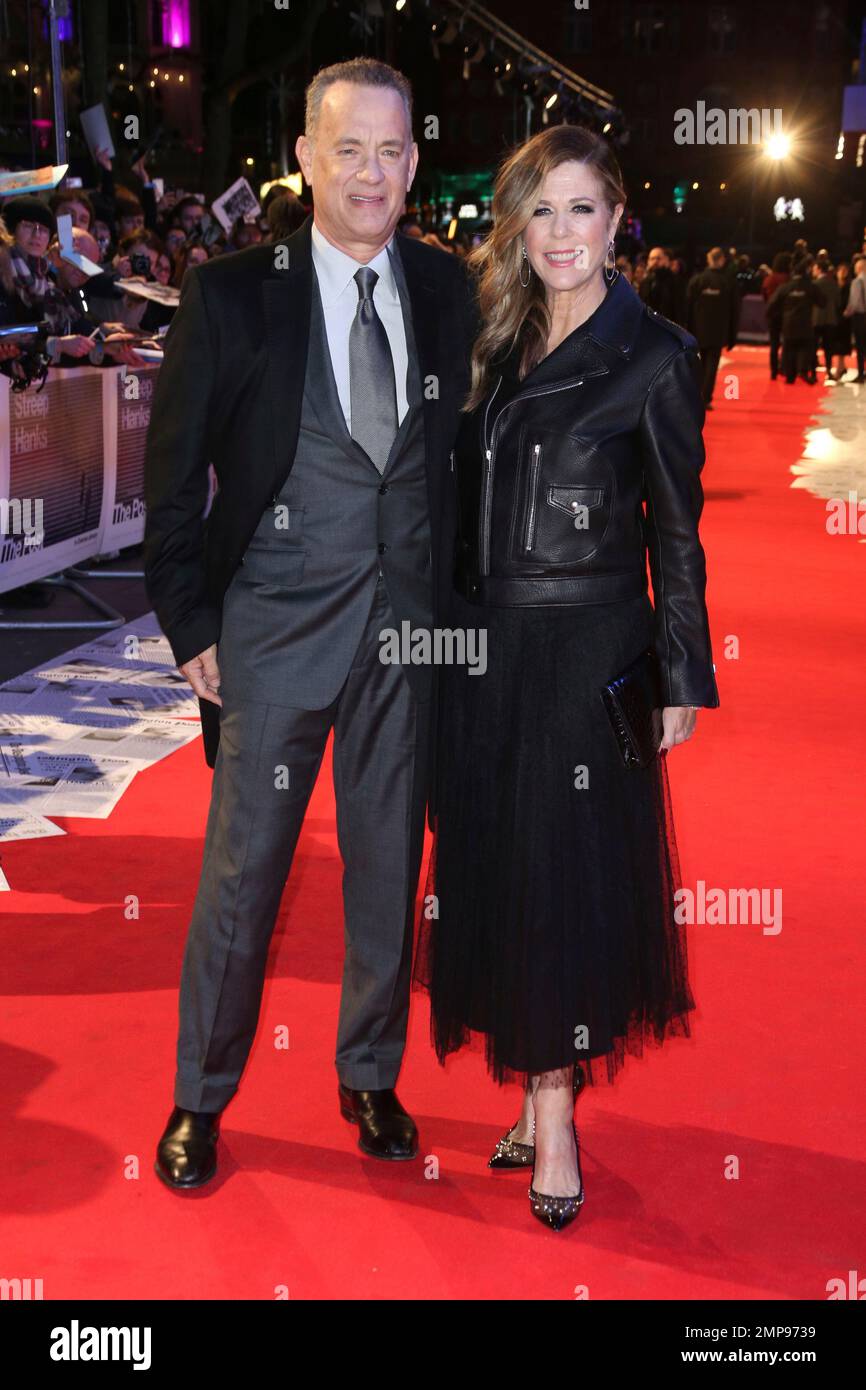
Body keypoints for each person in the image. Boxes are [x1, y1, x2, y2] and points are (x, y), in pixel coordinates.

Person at [143, 57, 476, 1190]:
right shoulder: (235, 292)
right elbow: (172, 476)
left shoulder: (447, 292)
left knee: (387, 865)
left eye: (390, 150)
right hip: (271, 636)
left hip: (406, 638)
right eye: (347, 148)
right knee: (243, 877)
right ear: (303, 157)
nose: (369, 172)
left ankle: (369, 1072)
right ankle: (200, 1093)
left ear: (414, 162)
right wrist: (189, 621)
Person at [414, 124, 719, 1232]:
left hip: (588, 648)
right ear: (516, 223)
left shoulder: (655, 355)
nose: (558, 234)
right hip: (482, 647)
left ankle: (553, 1111)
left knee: (567, 875)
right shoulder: (489, 339)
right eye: (538, 210)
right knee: (497, 862)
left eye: (579, 209)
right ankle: (538, 1064)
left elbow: (676, 533)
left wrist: (682, 668)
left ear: (615, 218)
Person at [687, 246, 740, 407]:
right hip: (718, 331)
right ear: (721, 260)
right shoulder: (726, 282)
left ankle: (694, 396)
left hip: (698, 329)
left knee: (699, 364)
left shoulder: (697, 280)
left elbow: (688, 306)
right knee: (711, 365)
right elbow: (734, 310)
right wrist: (732, 336)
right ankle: (705, 397)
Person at [766, 253, 821, 384]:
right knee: (804, 346)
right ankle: (802, 370)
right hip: (805, 323)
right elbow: (822, 302)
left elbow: (771, 303)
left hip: (786, 321)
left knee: (787, 347)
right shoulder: (809, 286)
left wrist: (774, 315)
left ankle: (786, 375)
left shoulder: (781, 285)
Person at [639, 244, 687, 327]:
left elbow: (680, 311)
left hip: (668, 329)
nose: (655, 261)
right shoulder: (645, 282)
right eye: (652, 259)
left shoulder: (676, 282)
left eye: (658, 258)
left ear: (667, 260)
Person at [762, 252, 791, 379]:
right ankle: (784, 367)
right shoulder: (789, 279)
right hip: (787, 315)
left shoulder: (769, 279)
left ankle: (773, 371)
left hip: (773, 315)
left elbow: (764, 294)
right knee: (787, 343)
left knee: (774, 344)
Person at [811, 256, 839, 382]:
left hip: (816, 319)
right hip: (830, 319)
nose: (813, 270)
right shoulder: (833, 283)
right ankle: (829, 370)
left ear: (819, 269)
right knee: (829, 348)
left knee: (813, 347)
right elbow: (838, 302)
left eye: (814, 268)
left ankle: (813, 373)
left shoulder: (815, 284)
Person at [842, 255, 866, 383]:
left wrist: (846, 313)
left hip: (860, 317)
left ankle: (861, 374)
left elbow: (854, 302)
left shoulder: (857, 281)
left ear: (860, 268)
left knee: (860, 347)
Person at [831, 261, 852, 382]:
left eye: (845, 270)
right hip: (835, 318)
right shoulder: (834, 285)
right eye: (841, 270)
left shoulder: (849, 285)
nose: (842, 273)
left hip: (845, 319)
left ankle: (840, 368)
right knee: (837, 345)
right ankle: (841, 367)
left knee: (842, 345)